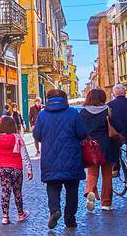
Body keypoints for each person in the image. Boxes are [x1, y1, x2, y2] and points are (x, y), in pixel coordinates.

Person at [33, 88, 87, 228]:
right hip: (72, 157)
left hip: (50, 159)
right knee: (72, 189)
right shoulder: (73, 113)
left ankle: (55, 210)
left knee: (52, 186)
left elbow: (37, 135)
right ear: (65, 99)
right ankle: (70, 219)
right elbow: (82, 133)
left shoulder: (42, 115)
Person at [80, 87, 120, 212]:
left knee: (92, 173)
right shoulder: (108, 110)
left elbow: (80, 131)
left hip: (91, 146)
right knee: (107, 175)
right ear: (103, 98)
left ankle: (90, 192)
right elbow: (117, 126)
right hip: (107, 145)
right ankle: (106, 203)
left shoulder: (83, 113)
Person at [0, 115, 33, 224]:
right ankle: (20, 214)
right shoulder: (17, 138)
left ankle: (5, 216)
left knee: (5, 191)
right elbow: (24, 155)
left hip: (3, 168)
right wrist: (29, 169)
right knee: (17, 191)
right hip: (16, 168)